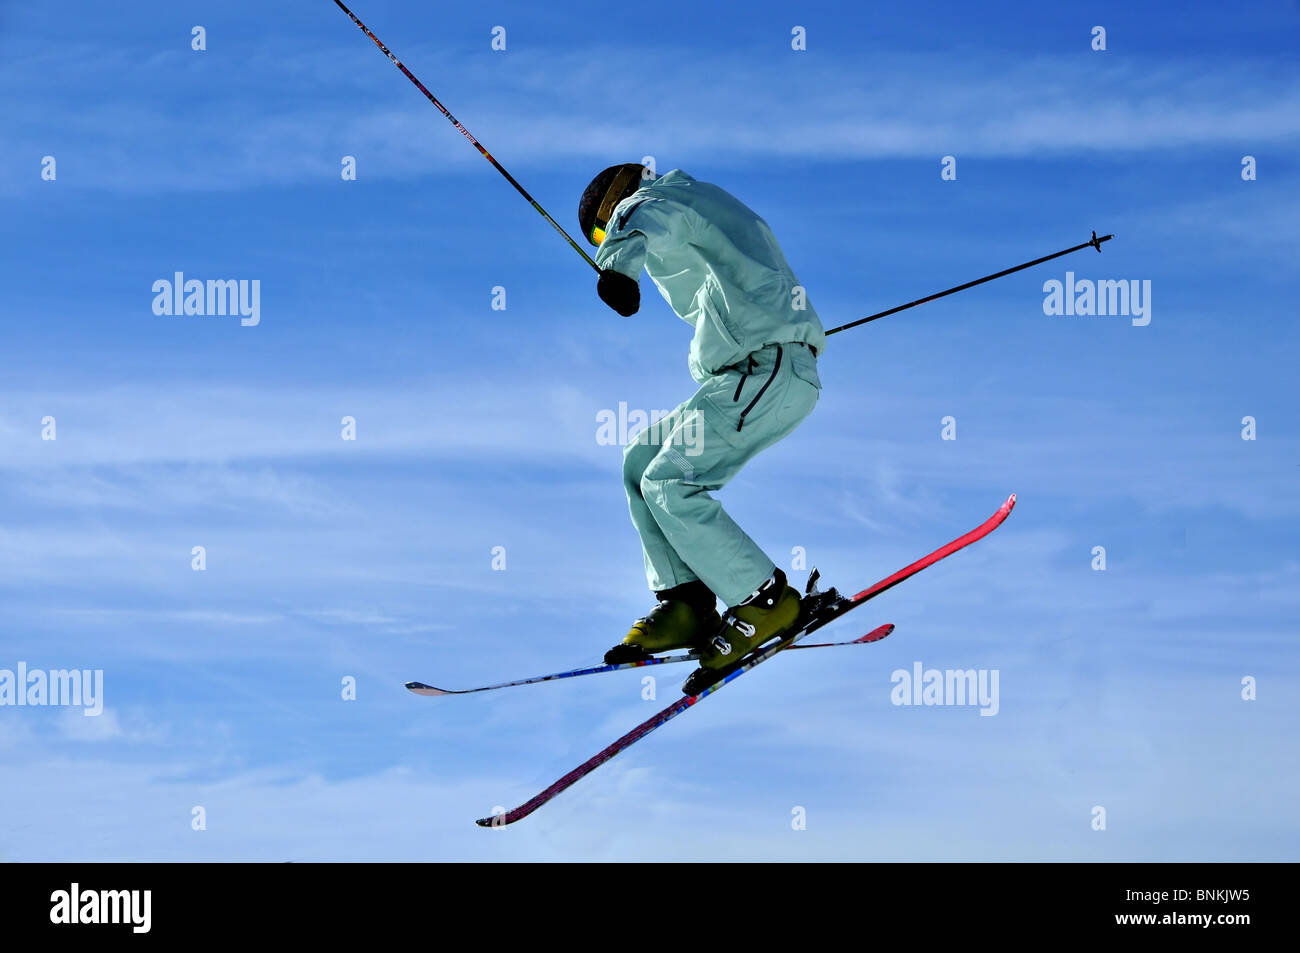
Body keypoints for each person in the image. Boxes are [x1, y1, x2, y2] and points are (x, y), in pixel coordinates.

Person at [578, 164, 826, 689]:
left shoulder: (664, 198)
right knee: (641, 462)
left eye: (602, 231)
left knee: (670, 480)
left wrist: (618, 264)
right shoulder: (699, 220)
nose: (608, 240)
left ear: (616, 204)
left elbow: (642, 216)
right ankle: (688, 601)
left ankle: (766, 602)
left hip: (768, 369)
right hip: (744, 371)